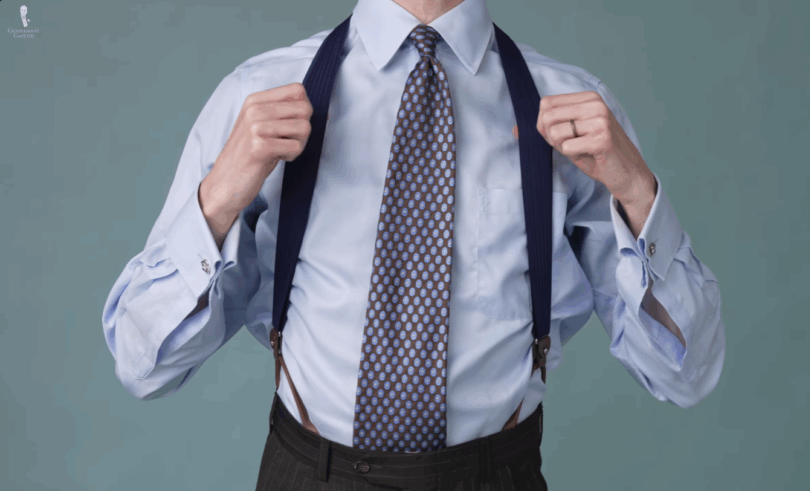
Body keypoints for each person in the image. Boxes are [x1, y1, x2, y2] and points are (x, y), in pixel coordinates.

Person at [102, 0, 725, 488]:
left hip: (494, 478)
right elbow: (143, 364)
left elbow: (685, 374)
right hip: (309, 477)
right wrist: (218, 200)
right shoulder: (259, 96)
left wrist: (639, 194)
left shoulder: (568, 110)